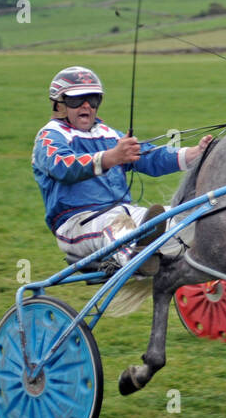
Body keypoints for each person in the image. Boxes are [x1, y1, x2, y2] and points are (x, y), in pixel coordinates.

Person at [32, 65, 211, 274]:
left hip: (124, 214)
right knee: (116, 225)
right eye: (76, 100)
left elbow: (148, 156)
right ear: (59, 104)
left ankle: (188, 256)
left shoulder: (108, 134)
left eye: (93, 99)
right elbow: (63, 166)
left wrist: (194, 154)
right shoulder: (49, 136)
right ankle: (138, 258)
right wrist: (111, 157)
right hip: (77, 223)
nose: (87, 106)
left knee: (179, 218)